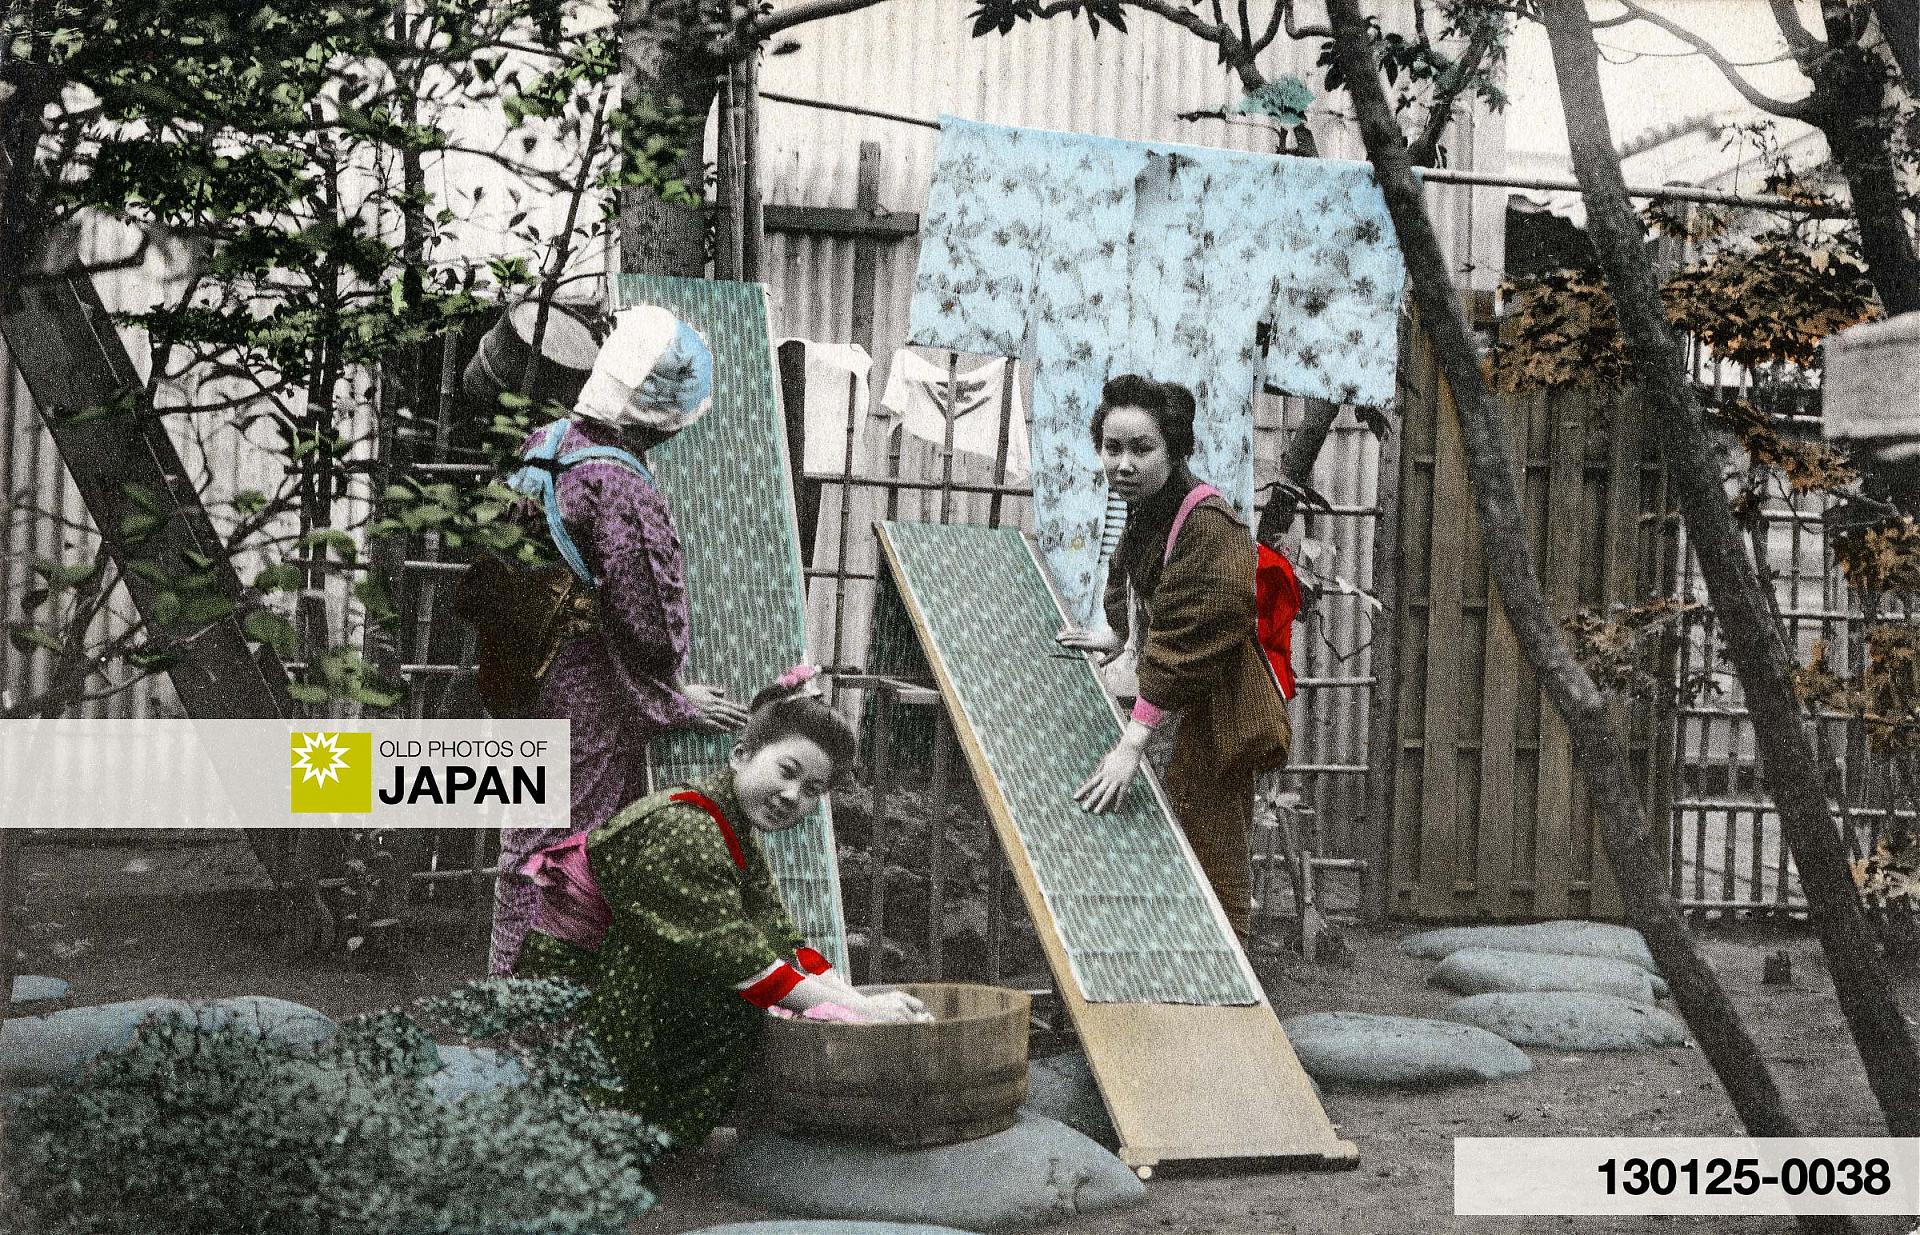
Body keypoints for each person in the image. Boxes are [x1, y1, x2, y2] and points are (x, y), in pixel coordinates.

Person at [514, 667, 929, 1151]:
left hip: (614, 974)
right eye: (787, 771)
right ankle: (615, 1131)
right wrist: (861, 1011)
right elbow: (741, 961)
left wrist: (855, 999)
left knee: (763, 990)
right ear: (741, 755)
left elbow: (780, 937)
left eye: (812, 790)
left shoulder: (732, 827)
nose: (792, 796)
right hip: (572, 993)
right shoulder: (686, 829)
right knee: (737, 998)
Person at [489, 304, 751, 976]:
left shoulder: (546, 444)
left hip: (522, 669)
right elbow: (648, 626)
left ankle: (506, 993)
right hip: (581, 693)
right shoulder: (619, 484)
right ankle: (543, 1014)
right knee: (569, 851)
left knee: (524, 843)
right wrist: (677, 696)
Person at [1056, 374, 1291, 941]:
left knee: (1208, 861)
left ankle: (1225, 1007)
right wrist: (1116, 637)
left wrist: (1130, 744)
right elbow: (1136, 588)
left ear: (1176, 449)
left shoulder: (1209, 523)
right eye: (1113, 448)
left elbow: (1192, 634)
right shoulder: (1147, 511)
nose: (1124, 464)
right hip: (1169, 708)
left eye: (1142, 449)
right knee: (1153, 856)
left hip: (1211, 718)